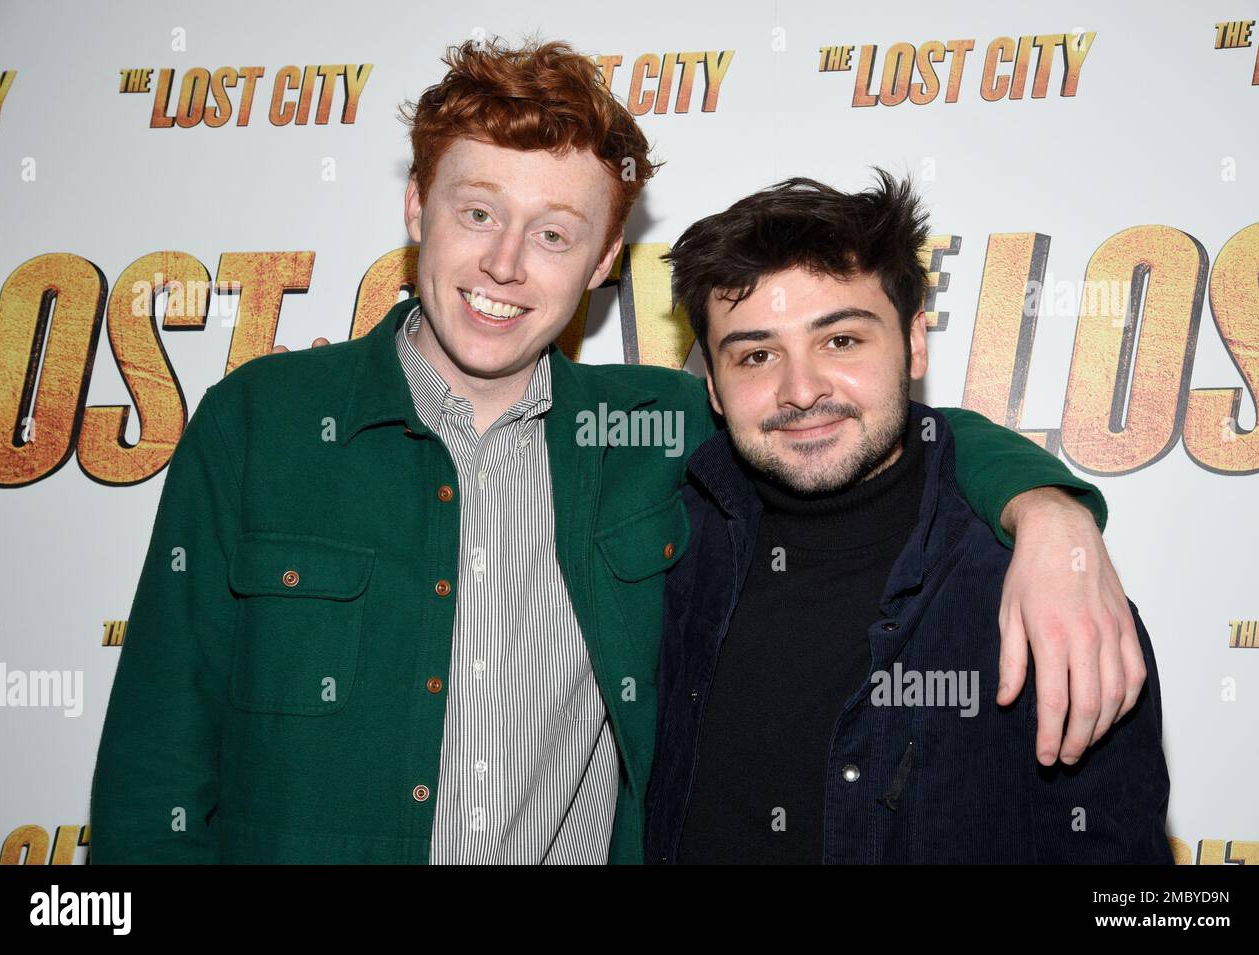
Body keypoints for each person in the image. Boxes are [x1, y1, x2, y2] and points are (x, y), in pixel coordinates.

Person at [90, 37, 1146, 865]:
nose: (504, 263)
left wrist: (1049, 512)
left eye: (553, 232)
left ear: (601, 260)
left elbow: (871, 428)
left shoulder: (655, 431)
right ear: (418, 209)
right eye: (476, 212)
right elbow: (153, 768)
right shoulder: (259, 422)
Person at [645, 173, 1173, 863]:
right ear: (712, 385)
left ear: (915, 343)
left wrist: (1054, 514)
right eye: (756, 354)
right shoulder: (665, 552)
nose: (801, 390)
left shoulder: (1043, 599)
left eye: (841, 341)